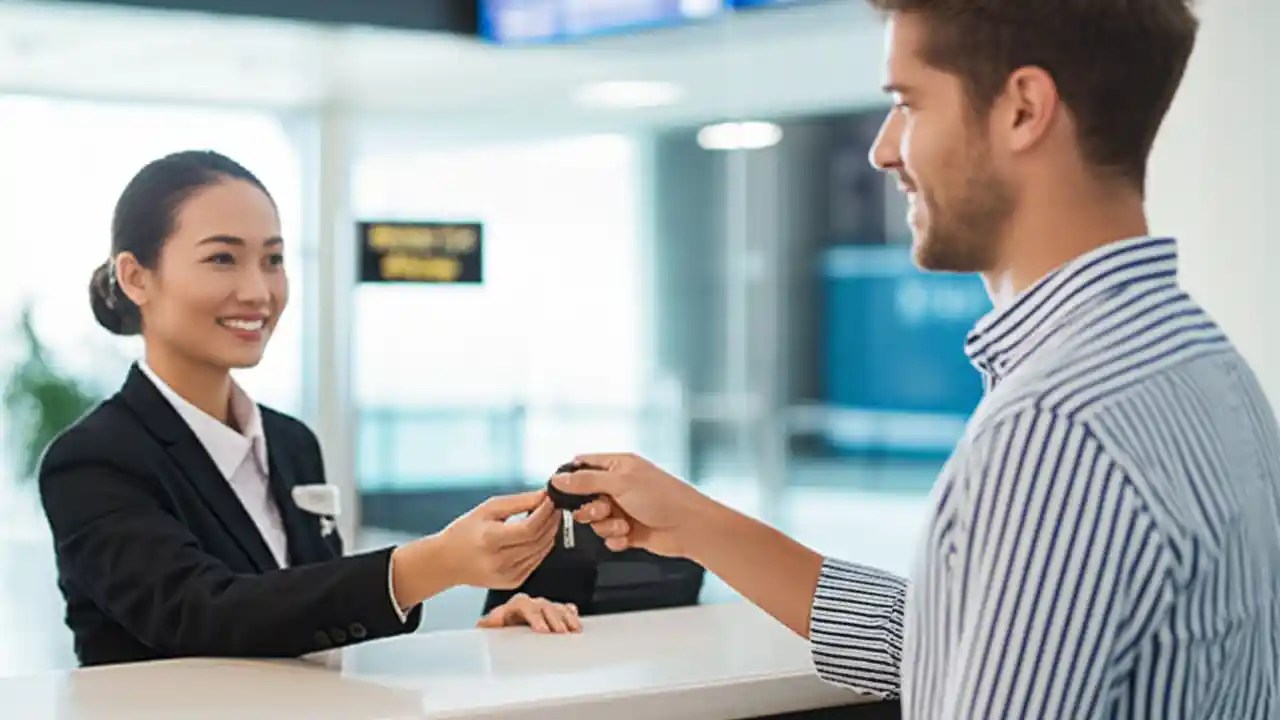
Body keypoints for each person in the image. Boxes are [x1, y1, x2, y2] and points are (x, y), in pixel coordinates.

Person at [554, 2, 1280, 718]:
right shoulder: (1204, 367)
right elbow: (976, 645)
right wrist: (700, 527)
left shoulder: (1052, 430)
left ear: (1023, 109)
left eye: (909, 103)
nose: (884, 149)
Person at [39, 150, 580, 668]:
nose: (258, 291)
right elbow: (203, 613)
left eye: (273, 260)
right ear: (136, 277)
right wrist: (432, 564)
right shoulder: (92, 460)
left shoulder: (291, 442)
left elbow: (309, 623)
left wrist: (480, 639)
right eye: (222, 258)